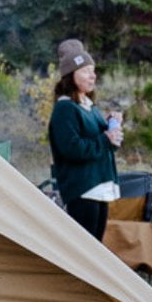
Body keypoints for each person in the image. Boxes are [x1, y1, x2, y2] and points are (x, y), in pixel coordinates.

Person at [48, 40, 123, 239]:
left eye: (93, 70)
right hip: (83, 189)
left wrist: (112, 131)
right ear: (70, 76)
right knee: (86, 249)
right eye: (85, 71)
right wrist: (106, 139)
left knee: (96, 248)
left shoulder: (89, 107)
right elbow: (72, 149)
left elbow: (102, 145)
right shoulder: (65, 109)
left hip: (99, 186)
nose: (93, 75)